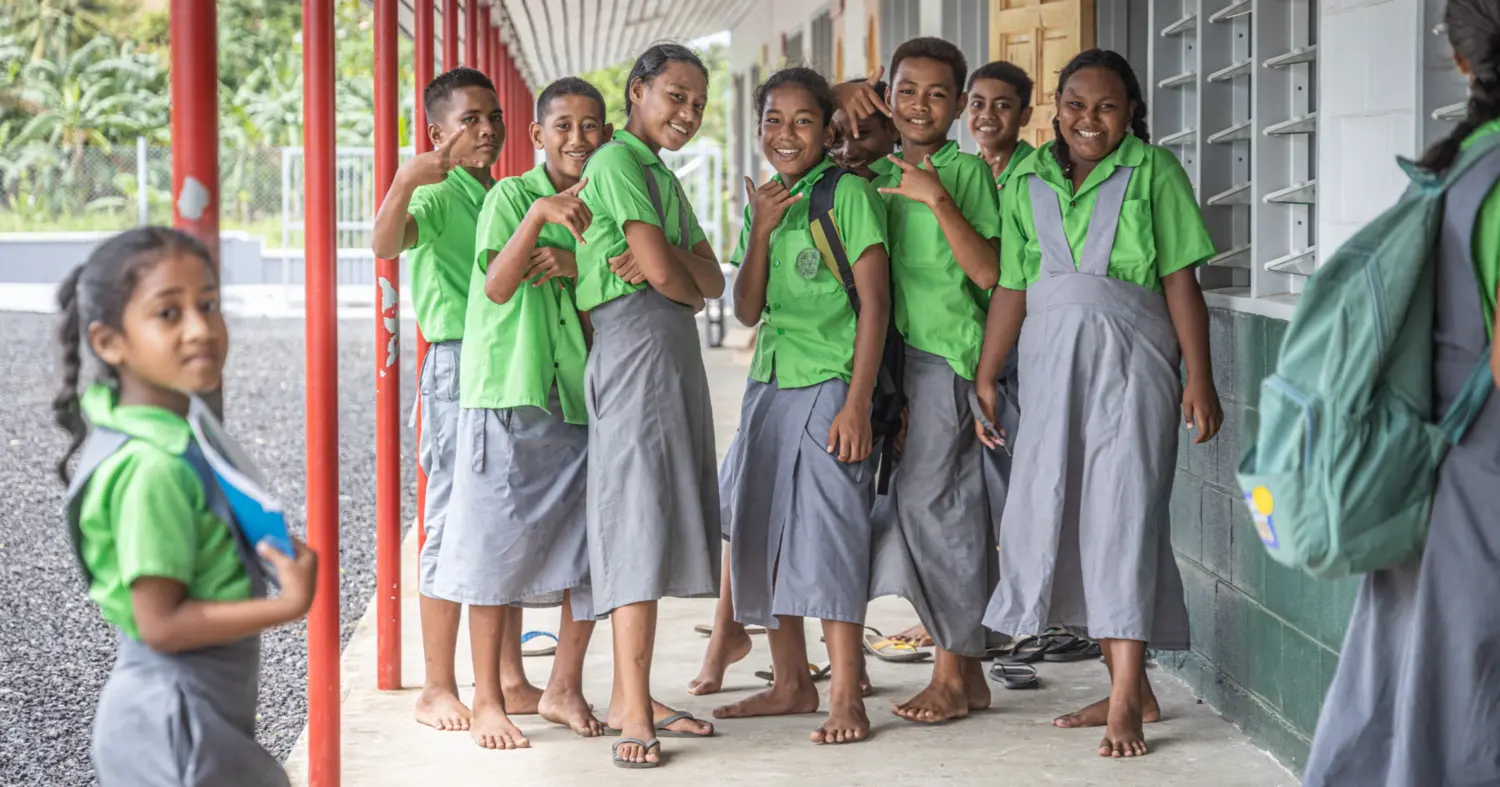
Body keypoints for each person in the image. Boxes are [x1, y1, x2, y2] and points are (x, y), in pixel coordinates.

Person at [978, 49, 1222, 758]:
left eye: (1107, 106)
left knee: (1123, 514)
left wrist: (1197, 377)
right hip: (1051, 370)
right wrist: (989, 372)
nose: (1090, 119)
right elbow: (1013, 287)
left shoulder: (1154, 173)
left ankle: (1125, 701)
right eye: (1076, 104)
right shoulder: (1027, 177)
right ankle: (1133, 683)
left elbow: (1180, 282)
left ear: (1132, 113)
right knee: (1067, 514)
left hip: (1133, 367)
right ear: (1056, 108)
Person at [1303, 2, 1500, 783]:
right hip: (1482, 474)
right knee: (1463, 698)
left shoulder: (1453, 165)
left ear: (1459, 63)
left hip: (1434, 468)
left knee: (1415, 681)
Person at [53, 227, 318, 787]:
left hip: (188, 713)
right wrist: (289, 602)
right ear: (109, 343)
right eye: (168, 314)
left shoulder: (160, 431)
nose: (201, 329)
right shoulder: (154, 468)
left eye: (209, 305)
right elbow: (161, 625)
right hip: (172, 724)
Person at [686, 74, 895, 700]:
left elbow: (877, 306)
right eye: (773, 121)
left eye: (804, 121)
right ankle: (791, 683)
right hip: (770, 383)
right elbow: (746, 311)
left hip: (831, 381)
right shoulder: (771, 199)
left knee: (829, 534)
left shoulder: (848, 195)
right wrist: (759, 229)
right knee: (765, 529)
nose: (786, 134)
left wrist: (858, 403)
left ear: (827, 129)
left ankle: (845, 694)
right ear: (758, 129)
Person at [431, 76, 608, 750]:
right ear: (537, 137)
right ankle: (486, 699)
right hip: (507, 394)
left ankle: (564, 682)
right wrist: (538, 218)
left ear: (607, 136)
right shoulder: (510, 195)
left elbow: (608, 296)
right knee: (493, 550)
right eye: (562, 126)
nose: (577, 139)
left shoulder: (604, 202)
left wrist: (574, 263)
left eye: (591, 126)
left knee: (589, 548)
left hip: (577, 397)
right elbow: (499, 284)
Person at [840, 37, 1004, 725]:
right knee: (924, 509)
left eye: (938, 94)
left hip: (951, 356)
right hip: (896, 365)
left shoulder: (965, 175)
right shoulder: (872, 167)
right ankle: (965, 672)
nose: (919, 105)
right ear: (886, 92)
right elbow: (805, 115)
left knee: (942, 510)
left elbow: (992, 272)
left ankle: (951, 669)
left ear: (960, 107)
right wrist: (844, 85)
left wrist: (936, 199)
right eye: (905, 90)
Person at [574, 42, 725, 769]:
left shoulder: (656, 173)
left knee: (656, 516)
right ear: (636, 92)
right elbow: (678, 273)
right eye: (675, 96)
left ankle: (641, 693)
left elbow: (711, 279)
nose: (688, 113)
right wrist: (676, 272)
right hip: (635, 348)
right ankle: (629, 705)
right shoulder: (612, 163)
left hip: (669, 353)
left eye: (697, 103)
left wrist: (675, 270)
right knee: (634, 517)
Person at [370, 67, 532, 733]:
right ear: (438, 133)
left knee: (503, 517)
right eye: (470, 120)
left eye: (492, 115)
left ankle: (512, 675)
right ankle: (437, 685)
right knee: (451, 520)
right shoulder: (438, 193)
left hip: (503, 364)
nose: (487, 128)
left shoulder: (497, 193)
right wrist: (408, 178)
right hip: (460, 367)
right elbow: (383, 242)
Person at [967, 61, 1036, 188]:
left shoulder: (1038, 172)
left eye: (1002, 105)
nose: (987, 114)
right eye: (977, 104)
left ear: (1024, 116)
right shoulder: (967, 172)